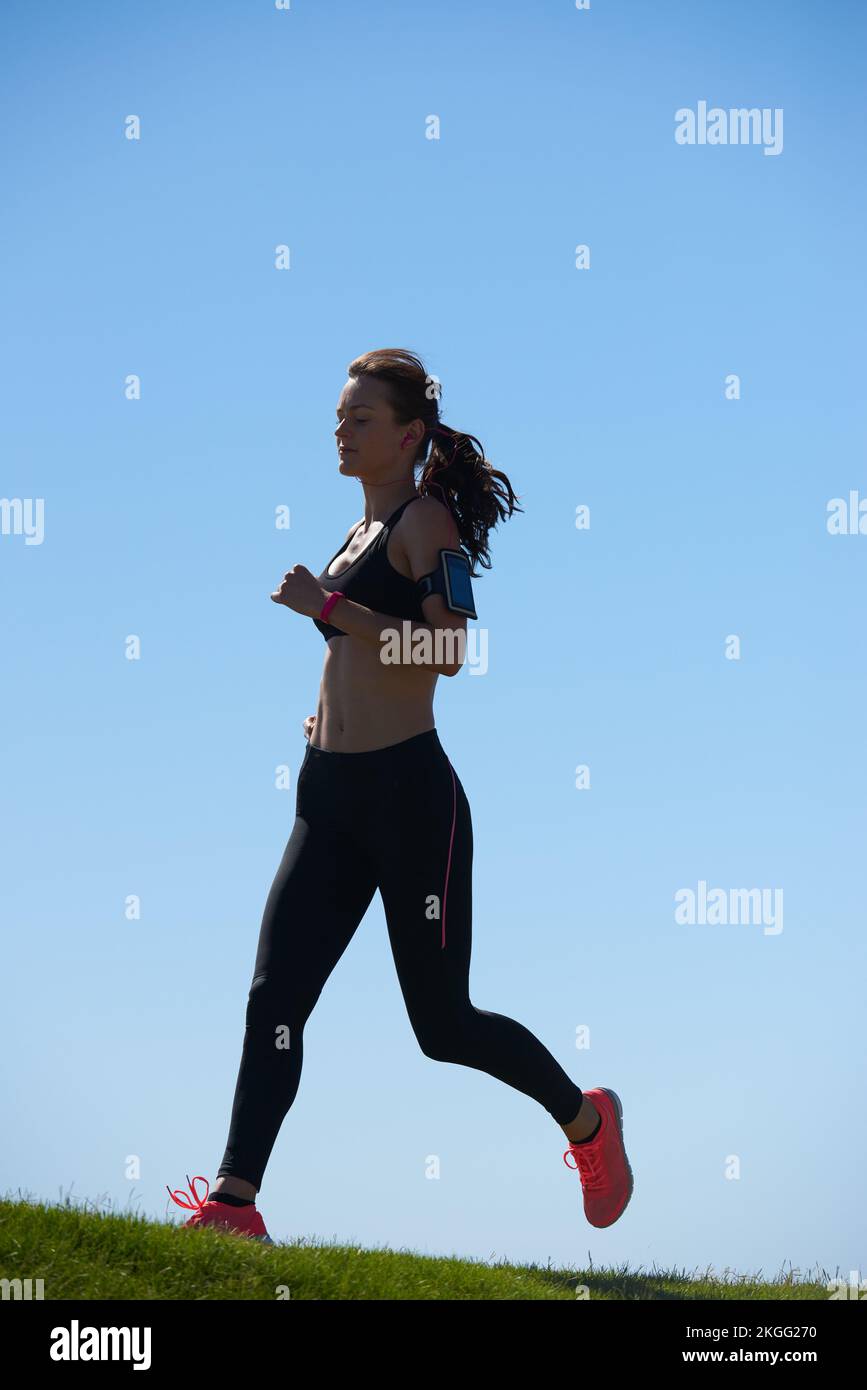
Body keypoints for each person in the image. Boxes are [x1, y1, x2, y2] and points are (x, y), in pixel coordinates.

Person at [168, 348, 633, 1243]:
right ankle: (234, 1203)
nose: (340, 431)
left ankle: (586, 1120)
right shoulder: (352, 538)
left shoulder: (429, 526)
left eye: (359, 419)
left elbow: (448, 653)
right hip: (327, 798)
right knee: (275, 997)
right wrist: (321, 719)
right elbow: (359, 661)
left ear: (408, 435)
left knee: (443, 1024)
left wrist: (329, 609)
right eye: (339, 417)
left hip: (410, 801)